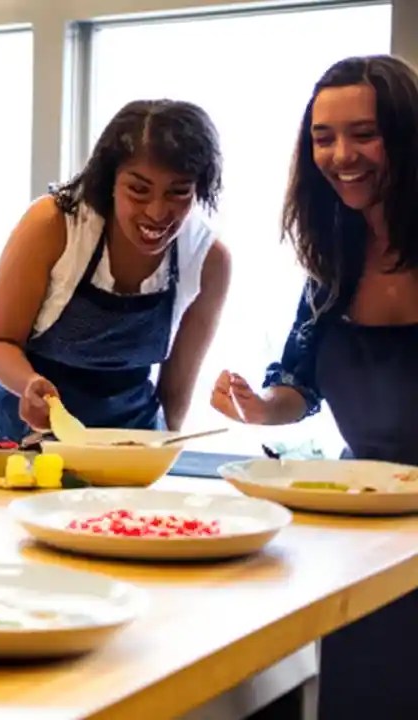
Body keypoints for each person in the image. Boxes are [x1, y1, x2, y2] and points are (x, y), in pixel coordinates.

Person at [210, 55, 418, 720]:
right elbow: (297, 386)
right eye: (323, 137)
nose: (341, 155)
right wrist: (258, 406)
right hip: (365, 537)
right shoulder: (333, 264)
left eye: (364, 133)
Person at [0, 99, 231, 443]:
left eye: (179, 192)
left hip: (130, 442)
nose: (157, 212)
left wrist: (163, 453)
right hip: (28, 436)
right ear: (110, 180)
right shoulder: (54, 225)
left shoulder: (208, 259)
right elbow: (0, 342)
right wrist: (29, 384)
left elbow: (175, 389)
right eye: (138, 190)